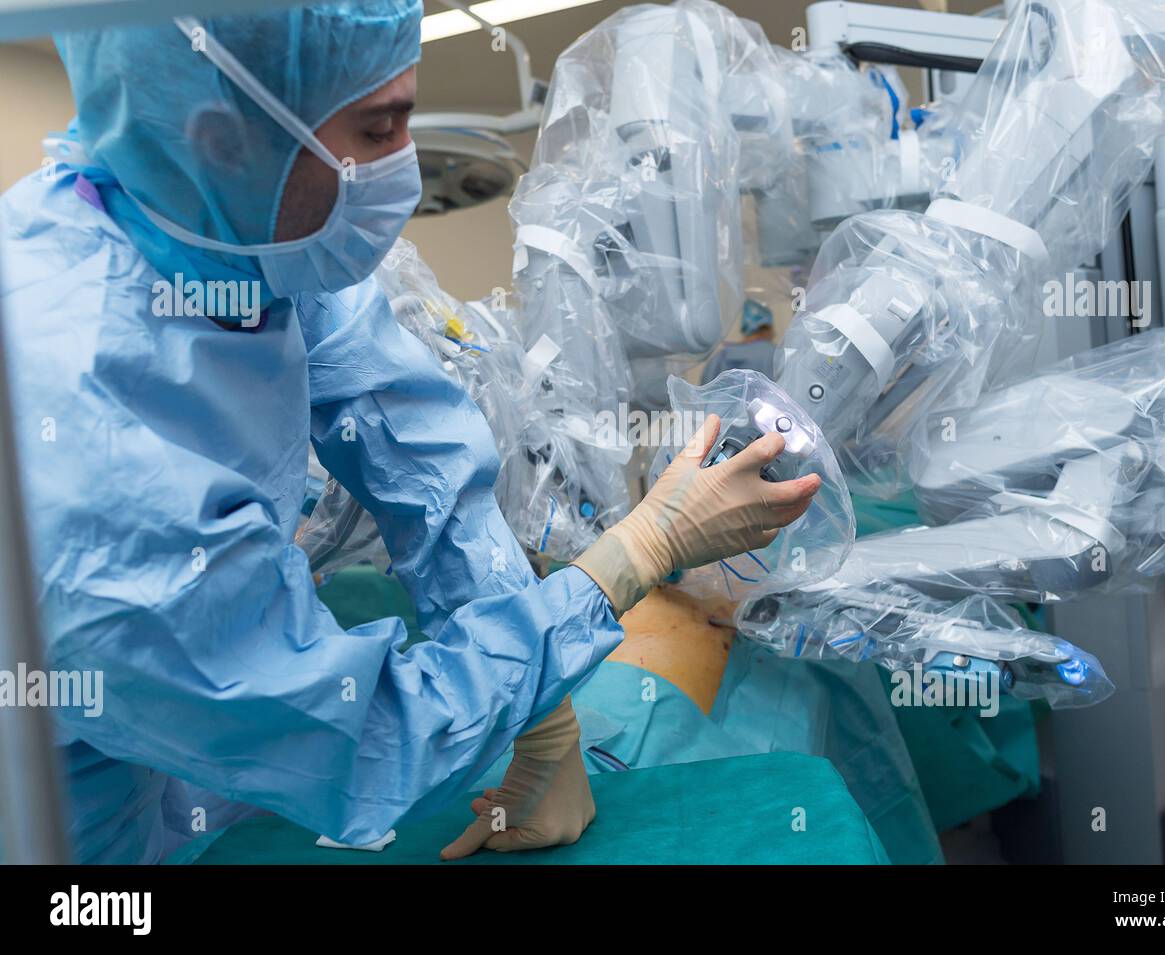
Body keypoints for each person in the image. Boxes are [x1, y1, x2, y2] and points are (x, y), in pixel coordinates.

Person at [0, 1, 820, 863]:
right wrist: (638, 552)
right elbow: (370, 732)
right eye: (379, 126)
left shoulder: (232, 223)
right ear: (222, 137)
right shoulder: (87, 456)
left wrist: (547, 727)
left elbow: (412, 443)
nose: (405, 162)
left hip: (173, 779)